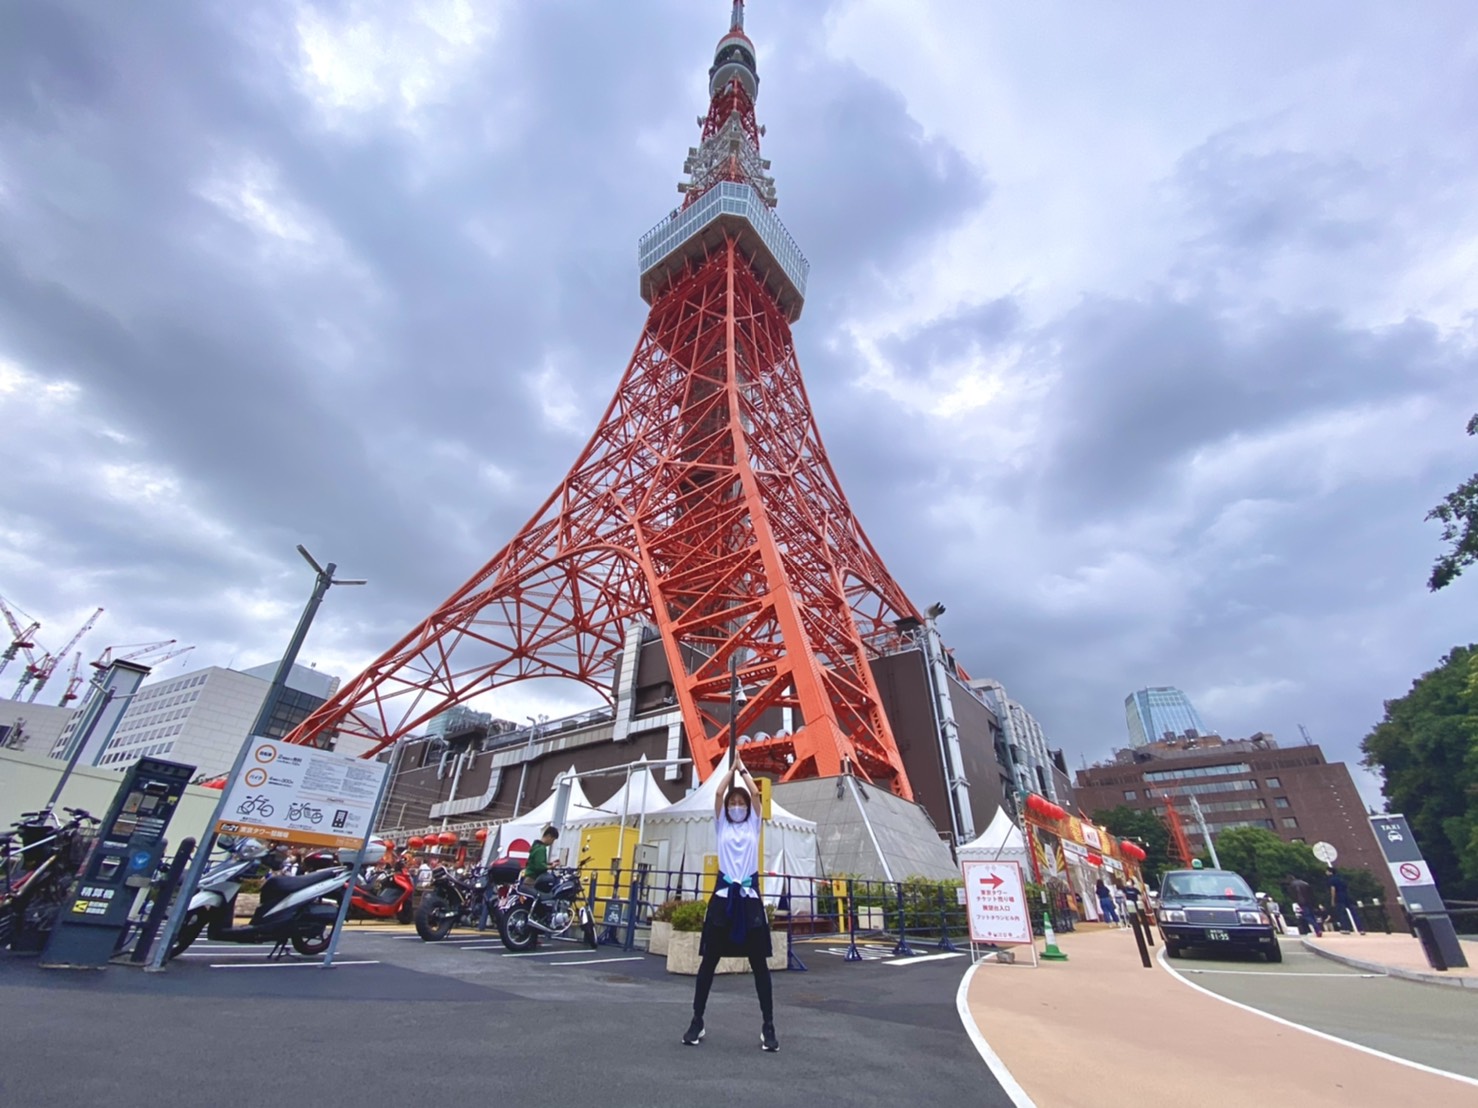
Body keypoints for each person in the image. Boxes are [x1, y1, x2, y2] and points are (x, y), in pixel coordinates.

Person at [682, 757, 777, 1053]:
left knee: (759, 964)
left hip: (748, 902)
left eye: (741, 802)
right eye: (733, 802)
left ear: (748, 808)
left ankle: (768, 1025)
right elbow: (718, 794)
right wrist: (730, 771)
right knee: (708, 962)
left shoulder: (753, 827)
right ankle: (697, 1019)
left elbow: (757, 795)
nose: (737, 805)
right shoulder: (721, 825)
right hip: (723, 900)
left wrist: (744, 770)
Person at [521, 826, 559, 895]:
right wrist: (551, 866)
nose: (552, 843)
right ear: (548, 836)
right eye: (553, 840)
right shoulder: (541, 849)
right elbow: (539, 866)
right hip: (533, 880)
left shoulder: (536, 846)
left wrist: (550, 863)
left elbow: (536, 861)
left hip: (528, 879)